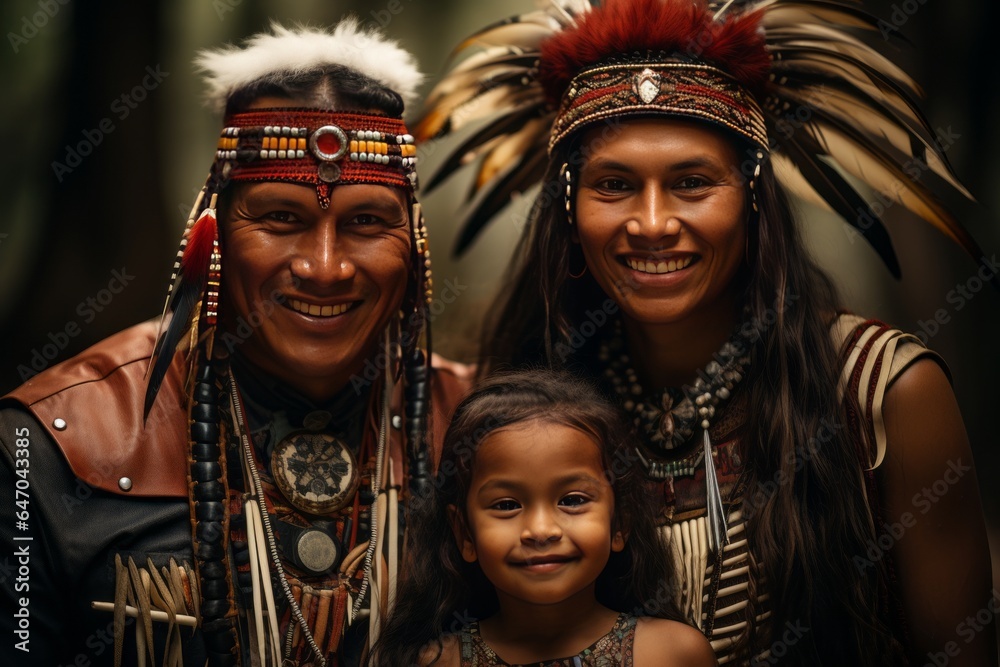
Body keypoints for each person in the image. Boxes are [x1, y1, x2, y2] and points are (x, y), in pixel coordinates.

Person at [415, 0, 996, 664]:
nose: (653, 222)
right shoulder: (522, 404)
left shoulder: (879, 392)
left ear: (752, 195)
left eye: (693, 182)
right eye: (614, 184)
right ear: (569, 207)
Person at [0, 20, 470, 667]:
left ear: (413, 247)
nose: (325, 266)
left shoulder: (482, 427)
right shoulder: (47, 444)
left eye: (366, 222)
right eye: (282, 219)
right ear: (212, 234)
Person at [371, 369, 717, 666]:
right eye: (507, 505)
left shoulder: (671, 654)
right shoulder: (435, 661)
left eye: (572, 500)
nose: (541, 530)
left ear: (620, 523)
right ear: (464, 533)